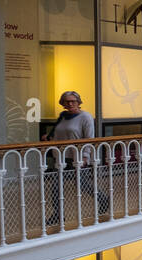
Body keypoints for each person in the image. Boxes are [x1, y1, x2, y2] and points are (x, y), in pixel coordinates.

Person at [45, 90, 106, 223]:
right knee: (55, 186)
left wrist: (85, 156)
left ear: (78, 102)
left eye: (73, 101)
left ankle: (103, 199)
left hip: (77, 158)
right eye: (67, 101)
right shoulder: (62, 116)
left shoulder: (85, 117)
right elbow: (58, 133)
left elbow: (89, 138)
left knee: (82, 185)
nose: (70, 103)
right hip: (60, 157)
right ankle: (58, 215)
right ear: (63, 103)